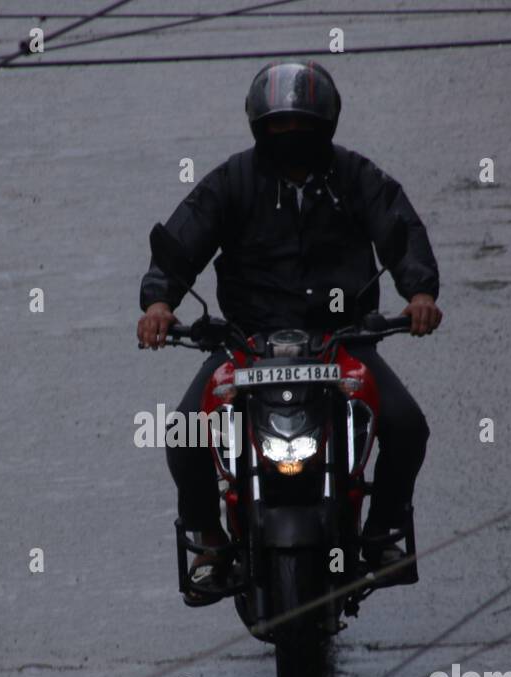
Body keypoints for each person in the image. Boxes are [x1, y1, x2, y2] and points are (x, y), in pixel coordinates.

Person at [136, 61, 442, 606]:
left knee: (408, 425)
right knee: (183, 431)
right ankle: (209, 541)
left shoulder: (357, 177)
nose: (290, 140)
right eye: (279, 129)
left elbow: (400, 229)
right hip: (246, 343)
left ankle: (382, 532)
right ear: (260, 129)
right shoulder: (231, 181)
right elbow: (184, 239)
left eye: (300, 128)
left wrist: (419, 293)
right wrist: (159, 301)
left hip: (342, 339)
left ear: (325, 128)